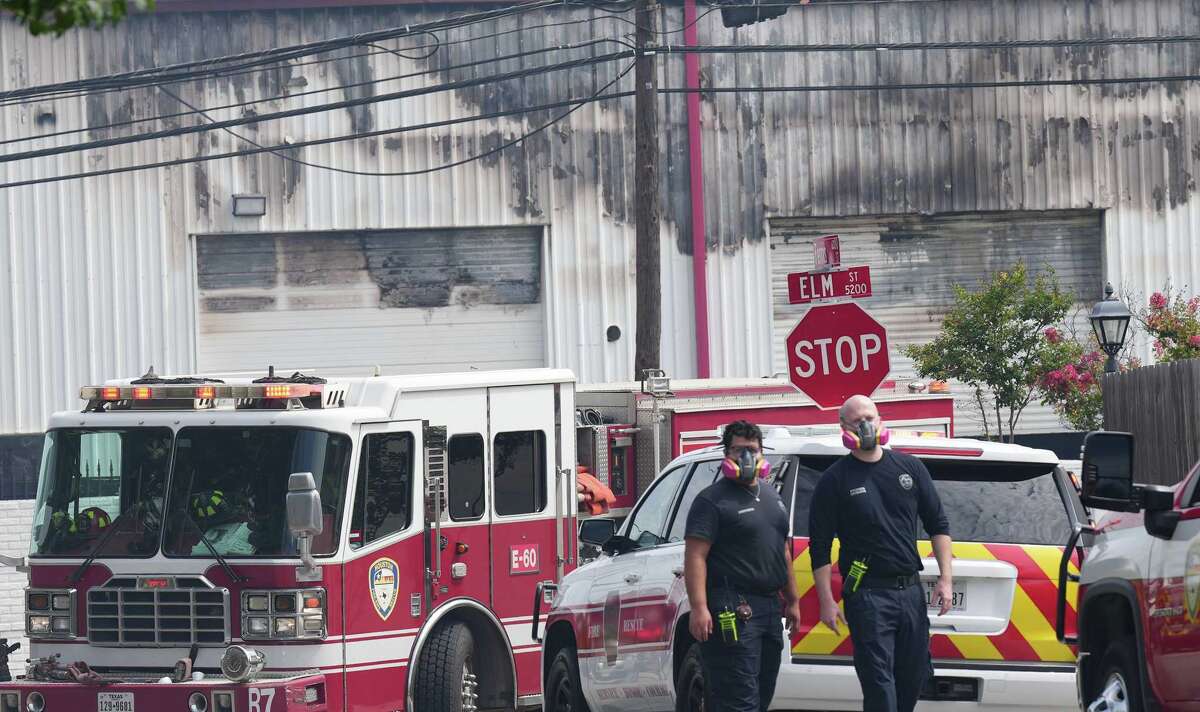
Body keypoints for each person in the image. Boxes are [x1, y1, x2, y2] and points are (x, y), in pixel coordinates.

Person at [809, 395, 954, 712]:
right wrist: (826, 601)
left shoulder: (910, 467)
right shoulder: (834, 480)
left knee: (912, 679)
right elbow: (819, 546)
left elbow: (938, 524)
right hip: (867, 594)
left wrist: (945, 579)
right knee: (879, 687)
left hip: (910, 592)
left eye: (870, 417)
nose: (865, 425)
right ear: (844, 428)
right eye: (857, 420)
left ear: (881, 421)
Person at [684, 420, 802, 712]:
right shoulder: (711, 501)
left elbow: (782, 552)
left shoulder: (772, 497)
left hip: (770, 608)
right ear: (726, 454)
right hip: (732, 607)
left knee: (762, 694)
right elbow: (695, 556)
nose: (746, 457)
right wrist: (699, 608)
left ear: (762, 453)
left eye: (751, 450)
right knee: (738, 698)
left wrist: (793, 600)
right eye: (738, 450)